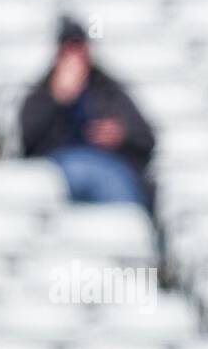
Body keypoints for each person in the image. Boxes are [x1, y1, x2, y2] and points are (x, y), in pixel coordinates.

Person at [20, 17, 156, 209]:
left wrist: (121, 135)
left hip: (110, 166)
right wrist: (56, 101)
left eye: (79, 49)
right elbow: (26, 142)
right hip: (57, 167)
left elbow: (146, 139)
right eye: (69, 50)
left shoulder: (109, 91)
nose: (75, 58)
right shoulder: (42, 94)